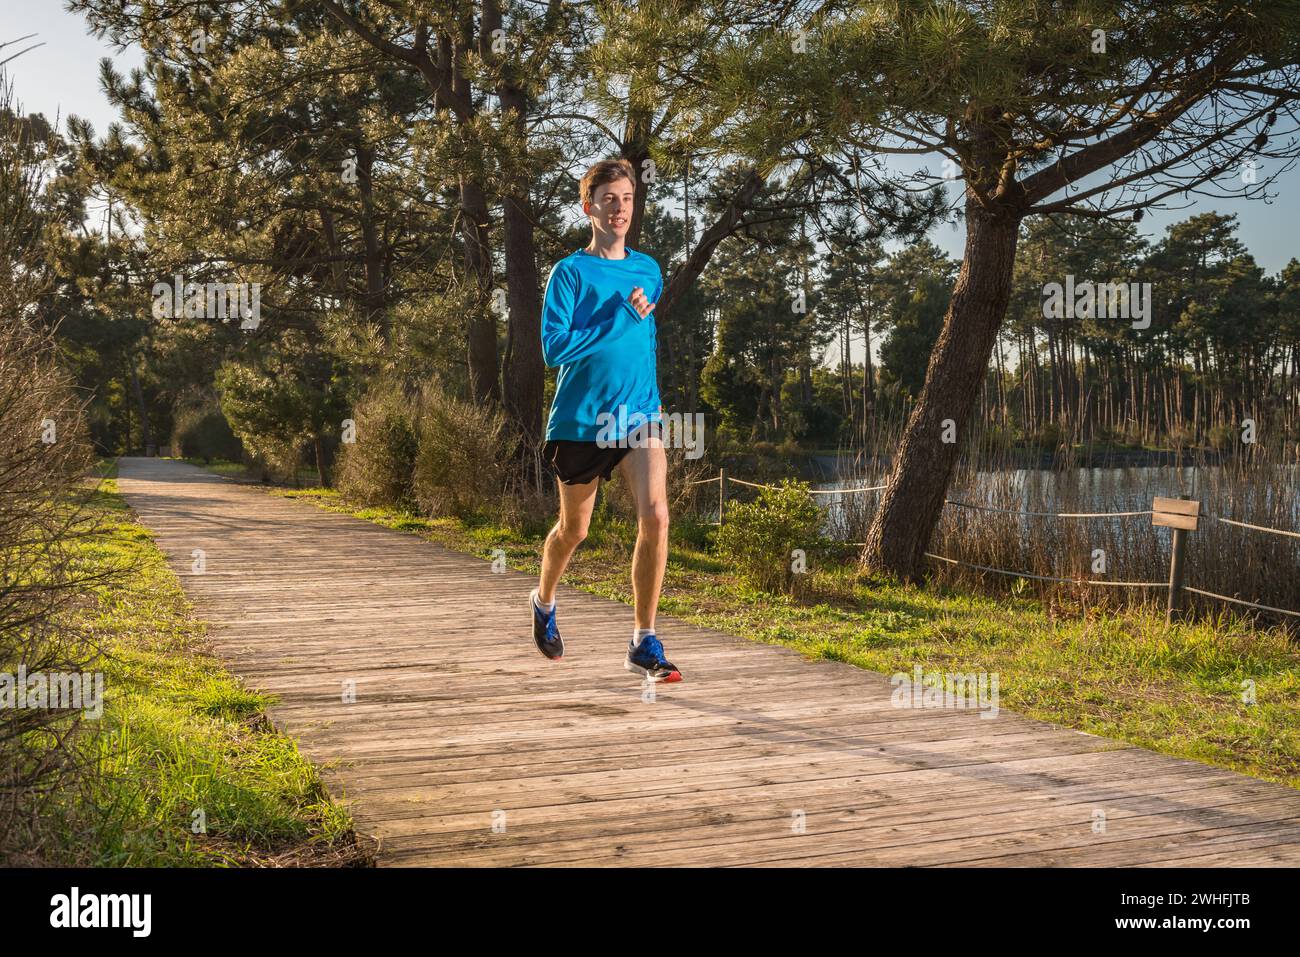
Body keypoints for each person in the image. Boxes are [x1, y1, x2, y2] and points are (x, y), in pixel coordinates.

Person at [528, 158, 681, 683]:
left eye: (628, 198)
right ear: (588, 205)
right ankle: (544, 600)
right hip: (580, 422)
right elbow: (554, 349)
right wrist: (618, 317)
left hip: (640, 416)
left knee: (657, 516)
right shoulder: (569, 273)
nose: (620, 209)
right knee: (574, 530)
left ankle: (643, 639)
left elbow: (643, 343)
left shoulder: (649, 269)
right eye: (609, 199)